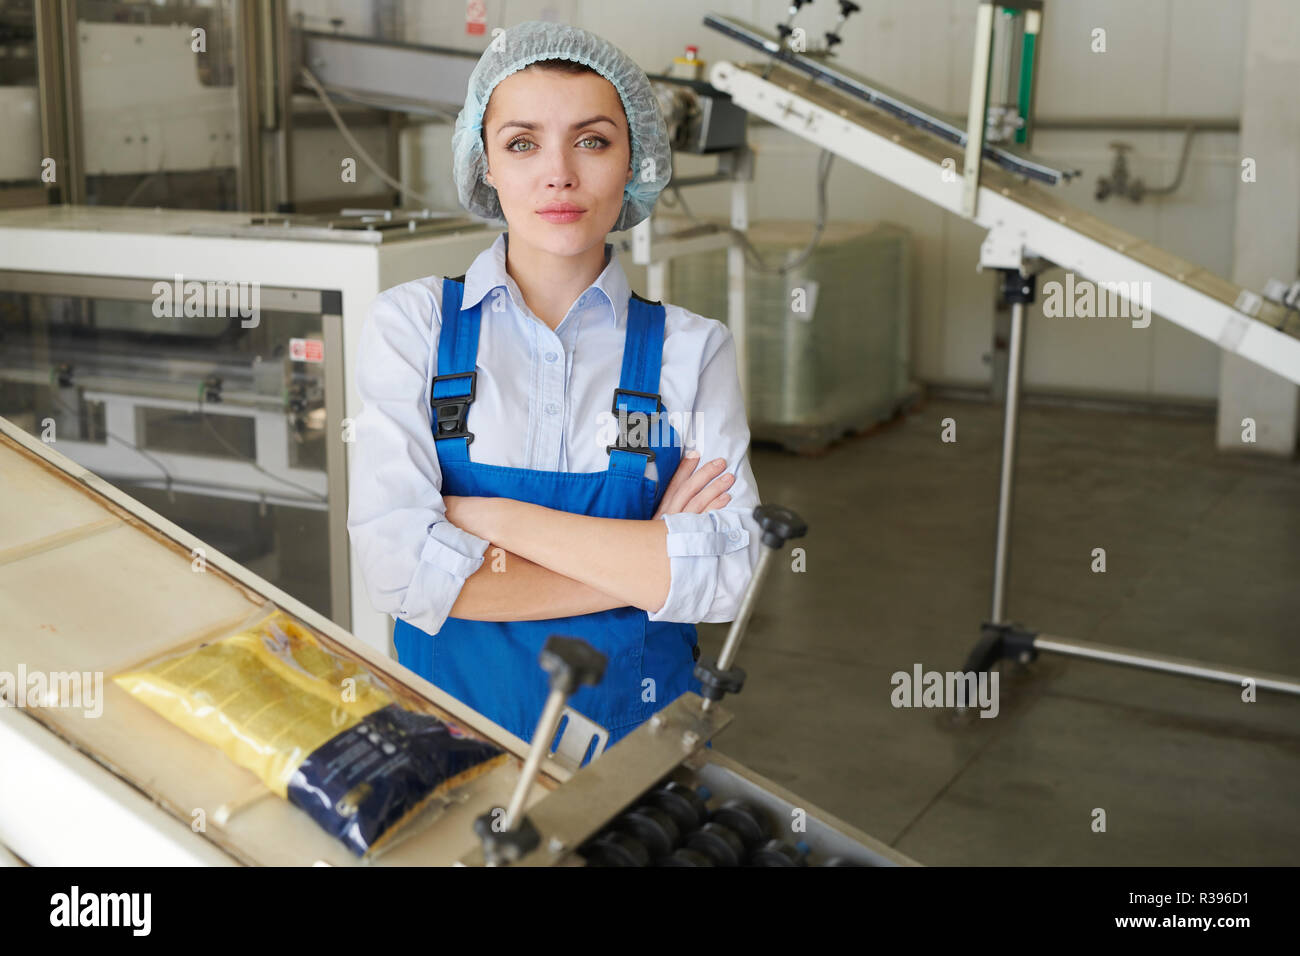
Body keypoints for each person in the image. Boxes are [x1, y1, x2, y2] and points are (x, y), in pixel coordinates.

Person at [347, 20, 761, 756]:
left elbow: (729, 575)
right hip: (448, 743)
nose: (559, 173)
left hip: (637, 754)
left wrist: (491, 518)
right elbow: (398, 572)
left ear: (635, 159)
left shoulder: (692, 351)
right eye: (522, 143)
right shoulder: (412, 325)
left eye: (593, 140)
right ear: (485, 166)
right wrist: (648, 565)